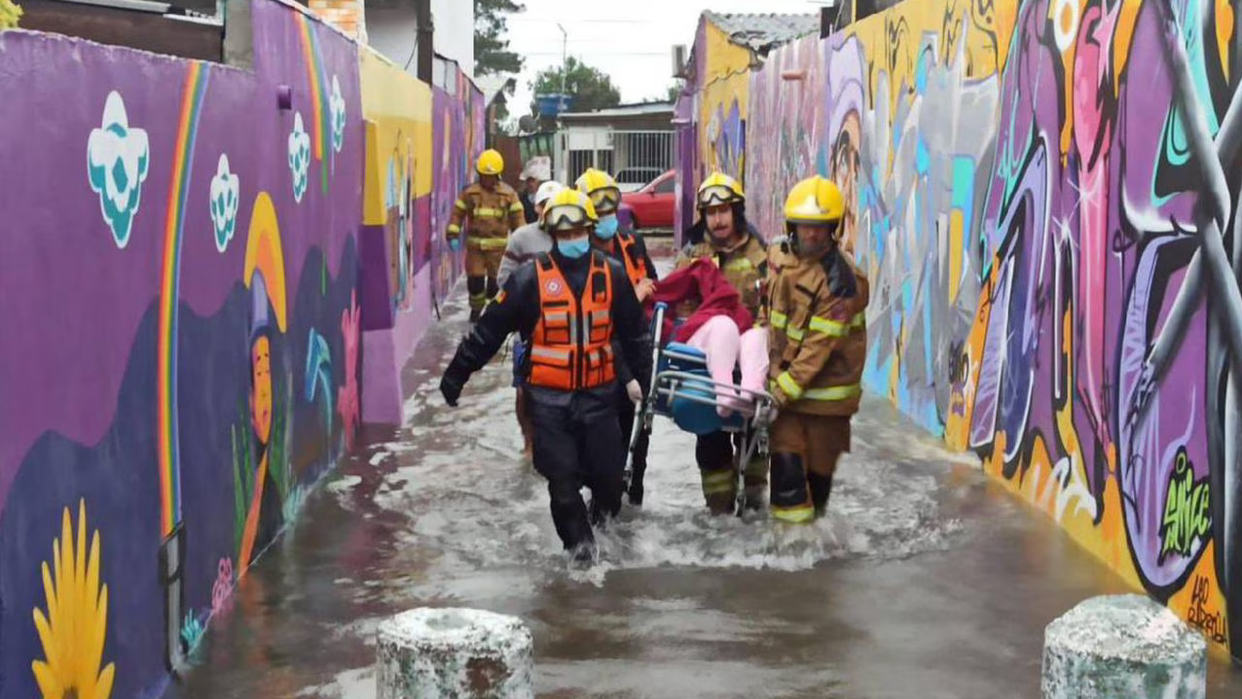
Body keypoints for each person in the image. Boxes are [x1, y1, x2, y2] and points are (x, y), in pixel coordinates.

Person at [439, 189, 653, 565]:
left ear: (589, 230)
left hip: (600, 397)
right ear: (551, 234)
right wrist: (457, 374)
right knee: (563, 484)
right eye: (563, 234)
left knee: (610, 482)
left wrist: (645, 386)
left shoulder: (612, 275)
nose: (572, 240)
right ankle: (583, 561)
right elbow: (489, 331)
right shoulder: (528, 280)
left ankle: (601, 533)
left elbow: (635, 336)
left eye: (577, 233)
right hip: (550, 403)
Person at [764, 176, 869, 524]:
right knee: (787, 481)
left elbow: (816, 351)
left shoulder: (841, 282)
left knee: (817, 490)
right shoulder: (779, 253)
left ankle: (810, 559)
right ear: (791, 226)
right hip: (788, 395)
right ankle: (789, 560)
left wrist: (777, 396)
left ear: (833, 227)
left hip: (827, 403)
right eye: (805, 227)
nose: (812, 235)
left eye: (821, 228)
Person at [673, 172, 770, 515]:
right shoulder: (692, 256)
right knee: (711, 437)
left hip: (752, 357)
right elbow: (681, 314)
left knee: (758, 438)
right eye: (710, 212)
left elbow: (774, 308)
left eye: (724, 210)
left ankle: (756, 504)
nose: (717, 218)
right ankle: (719, 515)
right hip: (708, 363)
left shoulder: (761, 254)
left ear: (737, 211)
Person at [578, 168, 659, 505]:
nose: (608, 218)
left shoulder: (631, 241)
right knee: (603, 442)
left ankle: (634, 499)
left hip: (638, 351)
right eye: (601, 211)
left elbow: (652, 282)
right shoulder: (579, 257)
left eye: (612, 209)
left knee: (640, 434)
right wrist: (633, 296)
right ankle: (601, 509)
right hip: (601, 359)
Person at [499, 179, 565, 459]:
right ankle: (529, 442)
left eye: (554, 204)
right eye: (543, 204)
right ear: (536, 206)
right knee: (523, 389)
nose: (547, 210)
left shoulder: (575, 235)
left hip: (566, 329)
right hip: (528, 330)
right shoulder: (522, 238)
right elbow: (504, 278)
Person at [446, 149, 526, 322]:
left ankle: (492, 313)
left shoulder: (508, 194)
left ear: (498, 175)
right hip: (475, 248)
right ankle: (476, 310)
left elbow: (518, 219)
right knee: (475, 282)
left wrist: (522, 243)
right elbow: (458, 213)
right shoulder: (470, 193)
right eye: (484, 175)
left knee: (494, 284)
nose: (487, 179)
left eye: (490, 176)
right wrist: (452, 233)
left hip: (498, 250)